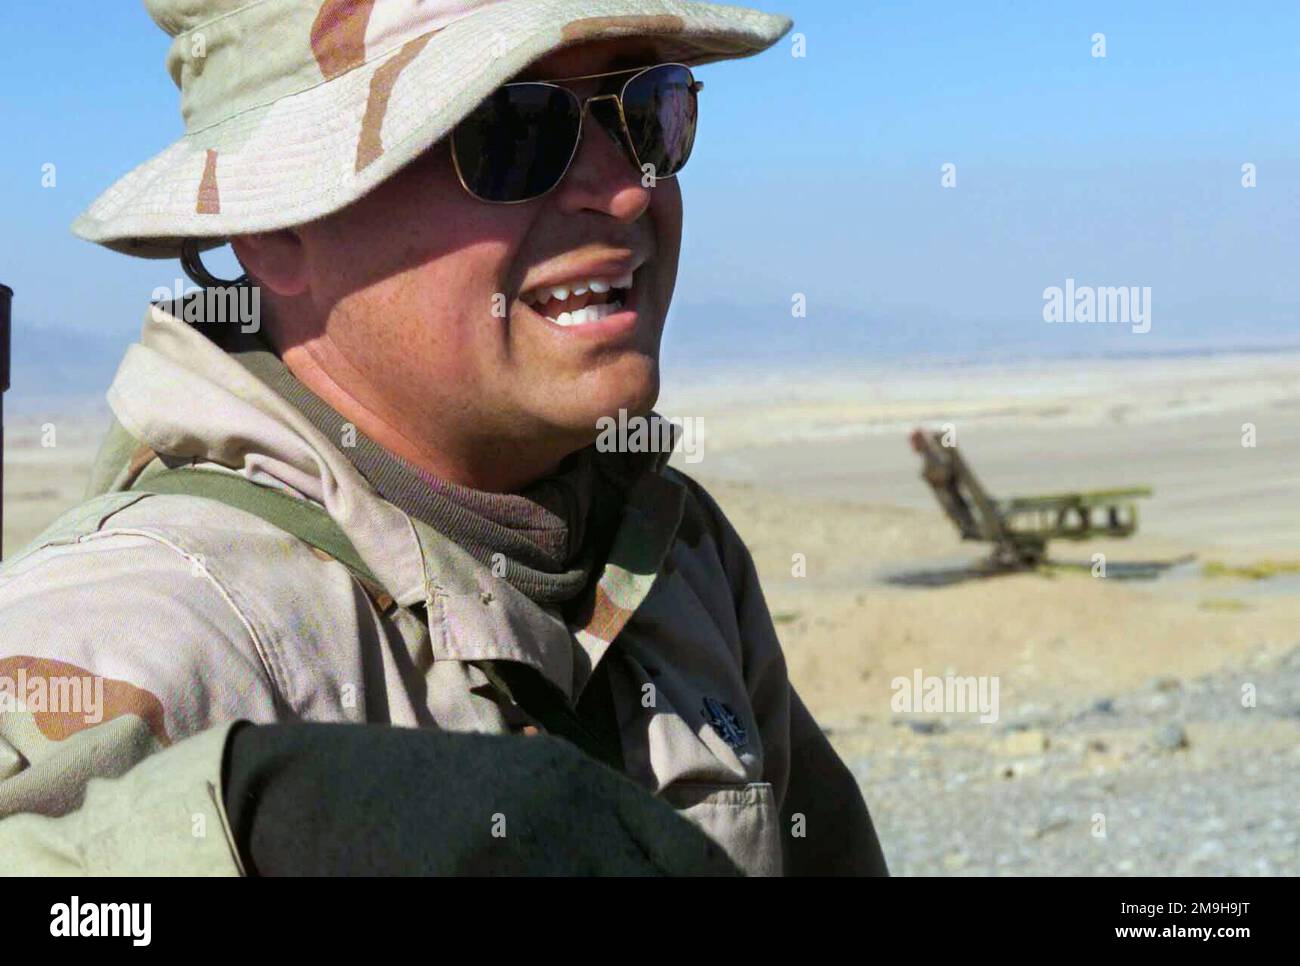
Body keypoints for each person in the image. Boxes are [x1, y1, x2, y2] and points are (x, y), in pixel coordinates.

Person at [0, 0, 887, 876]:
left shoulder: (674, 555)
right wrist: (245, 818)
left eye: (645, 113)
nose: (624, 189)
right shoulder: (146, 626)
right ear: (273, 226)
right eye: (513, 132)